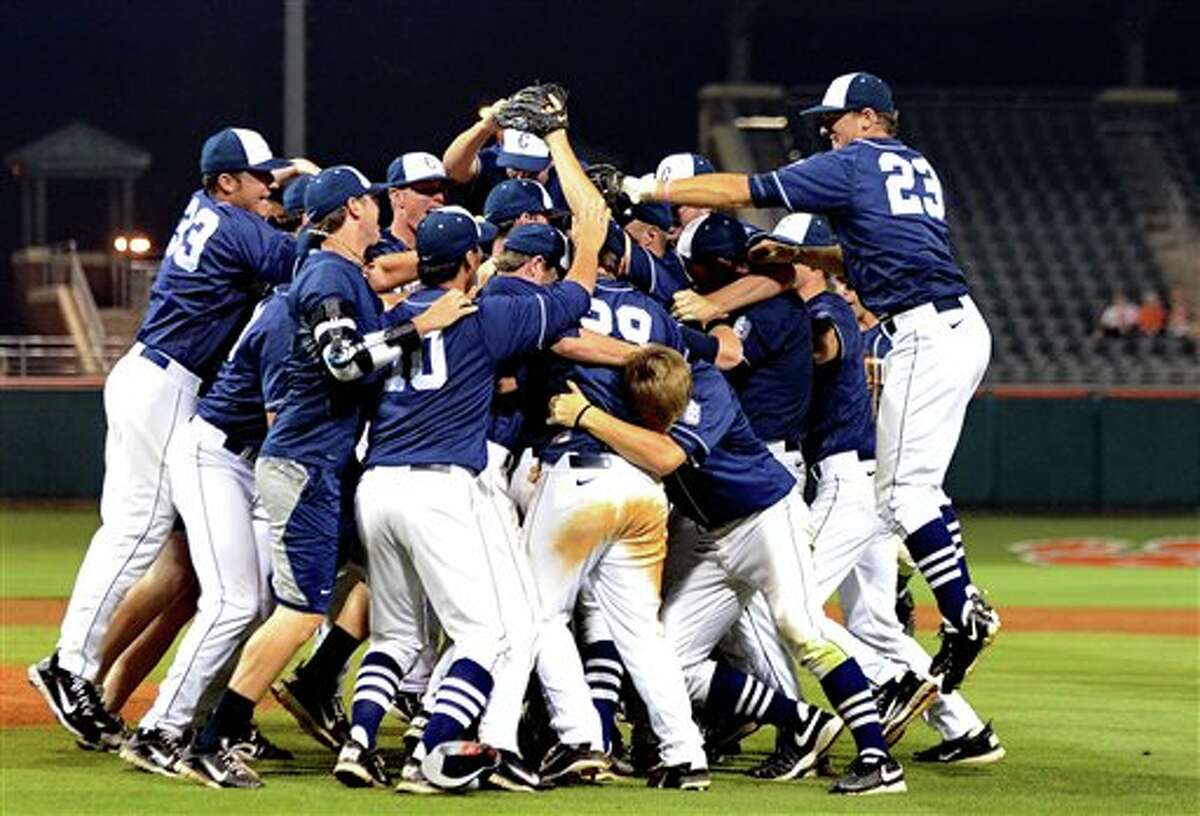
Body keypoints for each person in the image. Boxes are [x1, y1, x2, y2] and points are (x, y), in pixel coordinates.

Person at [644, 71, 1000, 692]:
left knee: (903, 494)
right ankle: (958, 606)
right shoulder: (915, 165)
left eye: (835, 119)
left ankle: (964, 612)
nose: (828, 130)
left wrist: (648, 187)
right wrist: (803, 256)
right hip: (958, 324)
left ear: (869, 117)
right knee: (916, 491)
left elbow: (744, 189)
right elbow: (864, 257)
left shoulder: (857, 163)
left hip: (923, 329)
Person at [177, 165, 476, 789]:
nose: (378, 207)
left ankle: (316, 684)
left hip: (323, 463)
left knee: (374, 571)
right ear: (355, 208)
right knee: (300, 611)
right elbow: (343, 360)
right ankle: (213, 737)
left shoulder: (342, 270)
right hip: (305, 463)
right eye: (370, 199)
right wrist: (420, 326)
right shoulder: (329, 274)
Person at [28, 127, 310, 751]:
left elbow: (261, 202)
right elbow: (306, 263)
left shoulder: (208, 206)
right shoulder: (235, 227)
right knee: (136, 530)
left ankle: (88, 671)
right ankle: (69, 665)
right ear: (226, 182)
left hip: (153, 374)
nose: (269, 187)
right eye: (259, 178)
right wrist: (316, 202)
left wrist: (286, 171)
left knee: (155, 543)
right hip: (167, 384)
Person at [548, 349, 907, 795]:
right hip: (709, 535)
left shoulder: (705, 383)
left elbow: (666, 456)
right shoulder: (638, 379)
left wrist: (587, 416)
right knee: (669, 663)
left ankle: (878, 759)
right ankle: (799, 722)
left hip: (766, 516)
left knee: (800, 626)